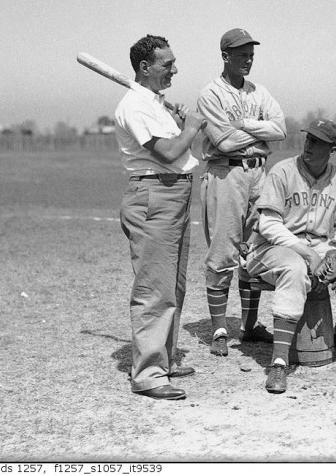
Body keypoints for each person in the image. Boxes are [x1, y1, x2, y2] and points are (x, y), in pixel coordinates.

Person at [245, 119, 336, 394]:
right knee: (295, 268)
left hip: (322, 247)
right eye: (308, 139)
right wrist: (309, 255)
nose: (309, 145)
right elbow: (268, 224)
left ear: (333, 149)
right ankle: (279, 363)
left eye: (318, 142)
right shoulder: (283, 171)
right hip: (270, 248)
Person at [114, 34, 207, 401]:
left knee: (173, 284)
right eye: (167, 65)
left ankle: (162, 359)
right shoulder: (134, 106)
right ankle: (148, 373)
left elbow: (178, 153)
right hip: (153, 196)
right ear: (145, 67)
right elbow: (169, 152)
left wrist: (181, 121)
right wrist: (191, 128)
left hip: (176, 194)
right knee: (155, 286)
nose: (174, 70)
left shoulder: (155, 104)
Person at [197, 28, 287, 356]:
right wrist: (260, 135)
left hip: (258, 175)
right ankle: (220, 328)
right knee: (223, 253)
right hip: (226, 173)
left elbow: (281, 129)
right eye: (241, 54)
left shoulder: (258, 92)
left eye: (251, 54)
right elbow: (223, 142)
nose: (248, 60)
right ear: (225, 56)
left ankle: (249, 326)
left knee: (256, 250)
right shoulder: (211, 94)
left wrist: (245, 126)